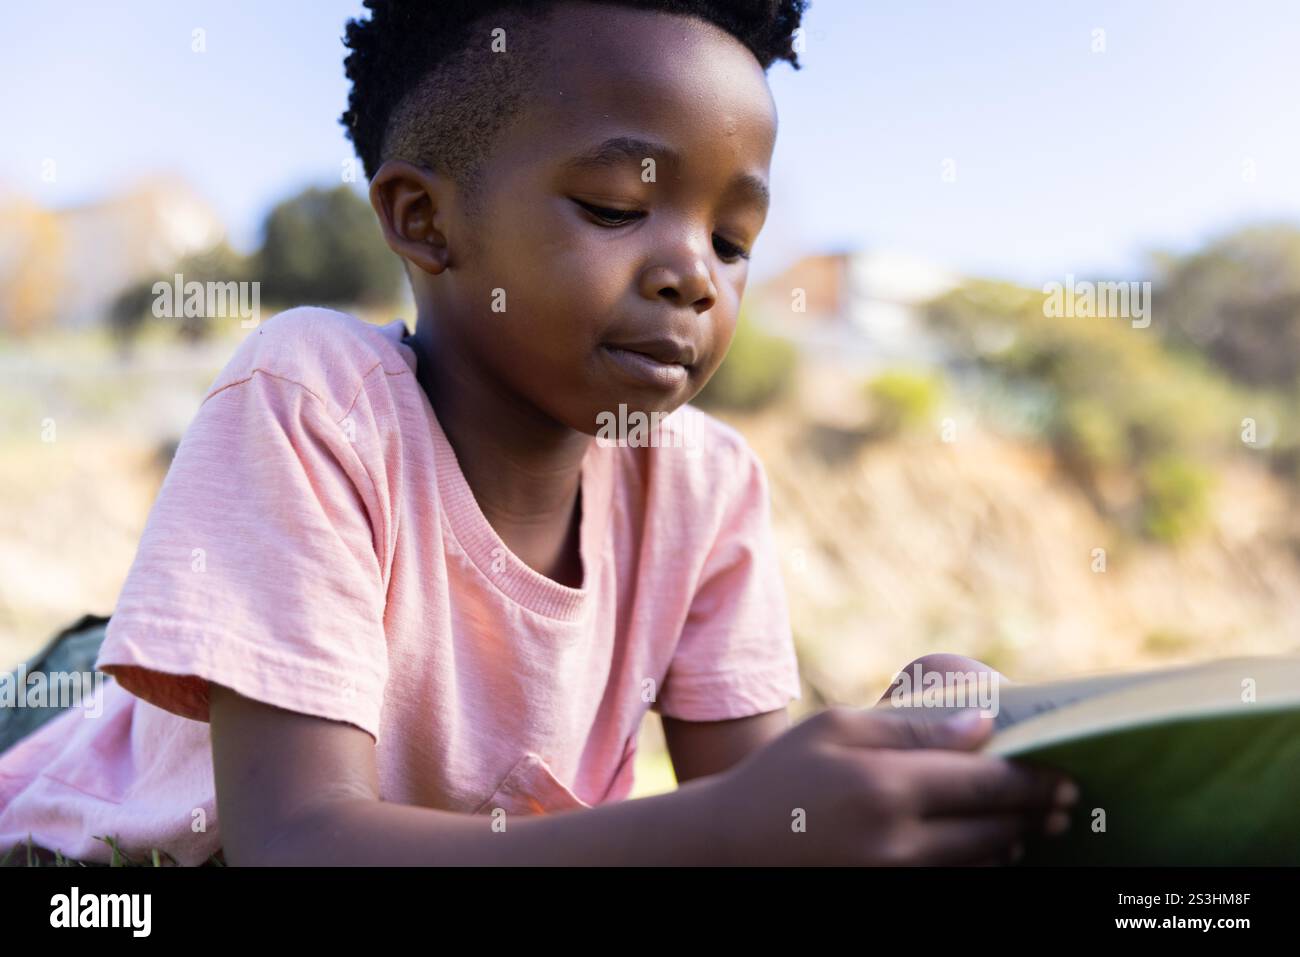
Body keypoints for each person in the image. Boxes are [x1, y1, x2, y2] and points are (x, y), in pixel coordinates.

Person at [0, 0, 1076, 866]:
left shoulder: (701, 486)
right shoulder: (316, 396)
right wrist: (729, 833)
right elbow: (297, 844)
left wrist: (899, 762)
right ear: (425, 221)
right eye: (616, 207)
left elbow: (753, 804)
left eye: (733, 236)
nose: (691, 273)